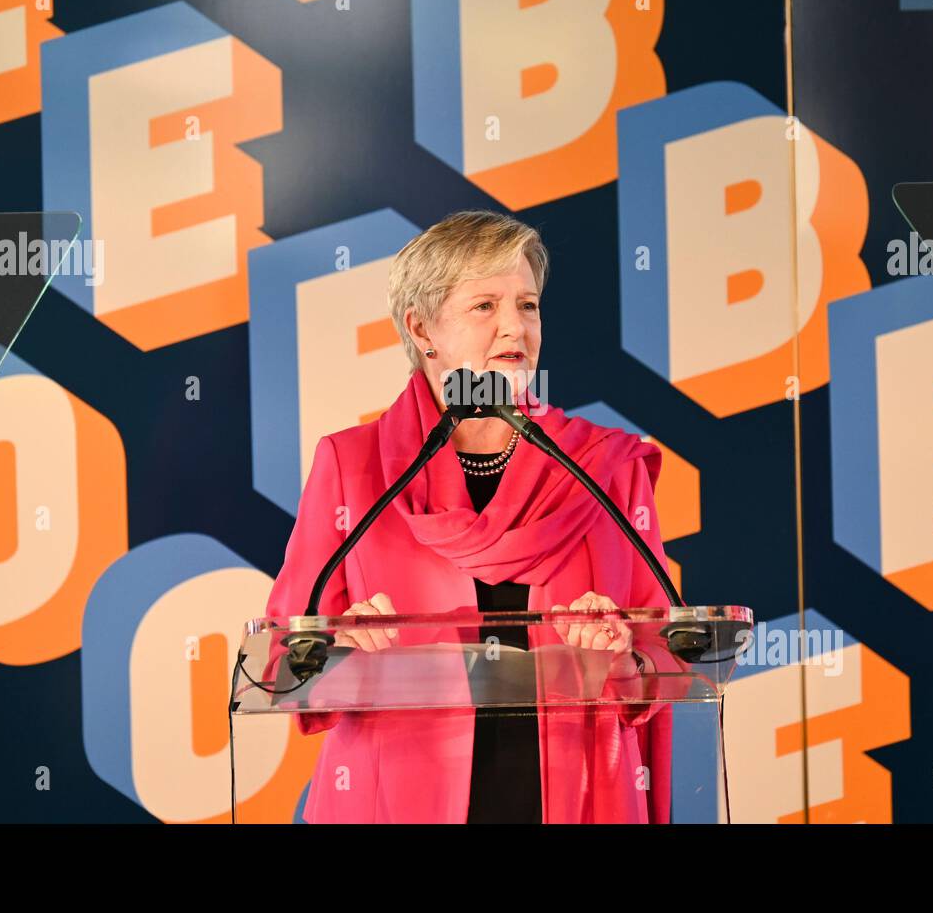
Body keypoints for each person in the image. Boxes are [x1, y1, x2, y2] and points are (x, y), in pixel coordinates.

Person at [266, 210, 682, 823]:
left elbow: (667, 651)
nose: (515, 326)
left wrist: (620, 650)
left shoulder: (605, 466)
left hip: (576, 795)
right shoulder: (353, 467)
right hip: (400, 800)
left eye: (528, 305)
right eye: (484, 306)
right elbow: (280, 663)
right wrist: (336, 645)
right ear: (421, 327)